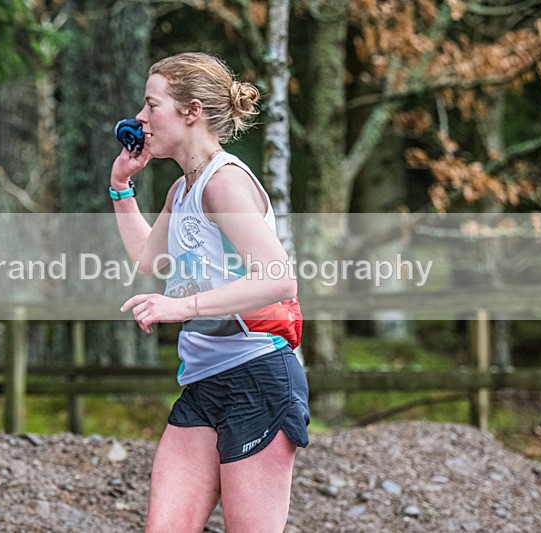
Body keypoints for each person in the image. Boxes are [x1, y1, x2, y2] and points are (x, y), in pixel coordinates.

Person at [111, 52, 309, 533]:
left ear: (191, 111)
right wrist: (121, 187)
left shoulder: (223, 183)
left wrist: (181, 306)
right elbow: (148, 260)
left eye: (151, 104)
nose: (140, 118)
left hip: (258, 377)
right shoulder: (182, 191)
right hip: (203, 384)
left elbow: (279, 278)